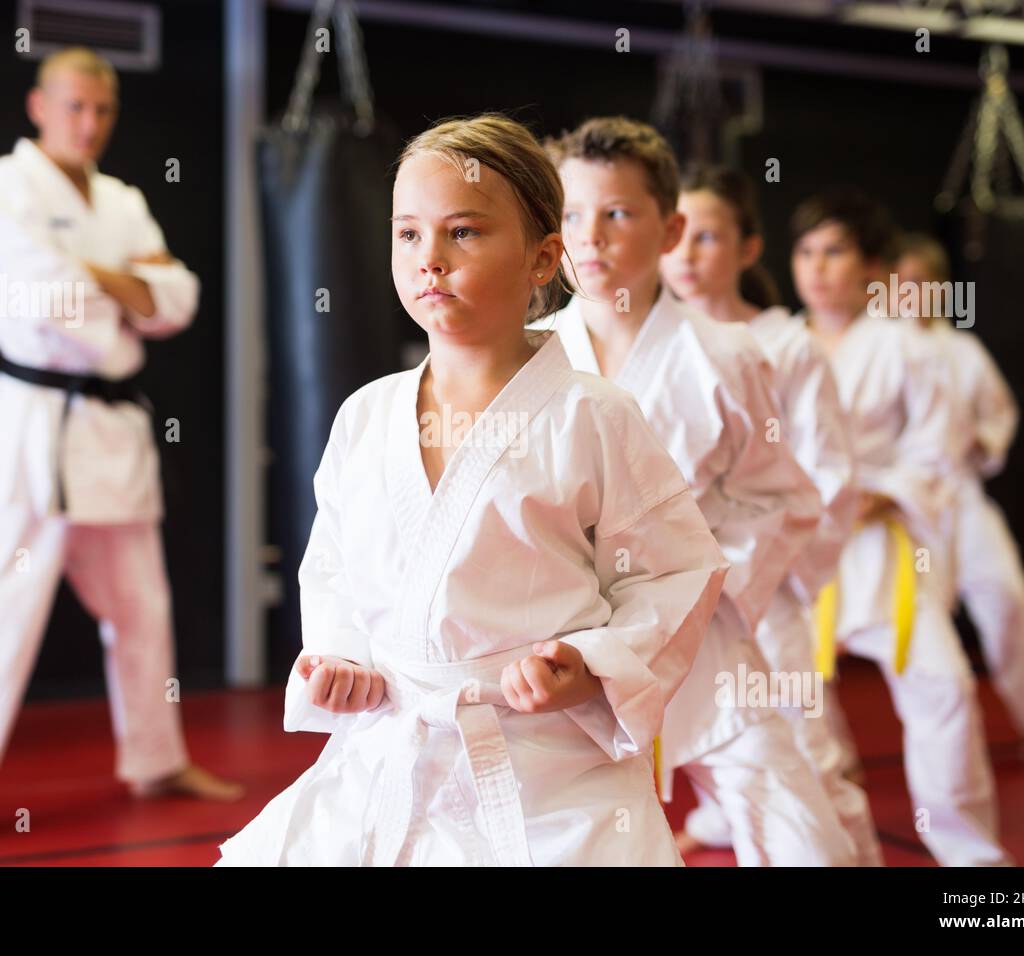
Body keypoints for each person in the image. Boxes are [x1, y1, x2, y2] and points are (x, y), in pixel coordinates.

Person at [215, 113, 730, 866]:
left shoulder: (593, 414)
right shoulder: (366, 415)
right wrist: (343, 660)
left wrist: (589, 663)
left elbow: (676, 572)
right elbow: (333, 570)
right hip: (394, 746)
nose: (430, 260)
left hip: (550, 770)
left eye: (463, 232)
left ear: (542, 257)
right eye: (408, 233)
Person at [0, 47, 241, 863]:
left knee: (143, 615)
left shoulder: (122, 198)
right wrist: (129, 284)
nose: (89, 124)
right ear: (38, 105)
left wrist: (114, 282)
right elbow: (37, 296)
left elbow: (180, 300)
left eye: (103, 110)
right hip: (29, 429)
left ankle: (157, 761)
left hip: (112, 436)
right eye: (74, 107)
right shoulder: (4, 186)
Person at [543, 118, 858, 866]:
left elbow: (784, 500)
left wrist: (709, 583)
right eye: (572, 215)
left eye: (618, 213)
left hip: (703, 635)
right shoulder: (530, 358)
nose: (592, 238)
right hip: (569, 649)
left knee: (806, 839)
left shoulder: (727, 355)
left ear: (670, 227)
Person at [659, 165, 881, 865]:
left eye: (710, 237)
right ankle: (725, 821)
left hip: (761, 587)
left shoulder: (787, 346)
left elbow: (830, 480)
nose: (688, 255)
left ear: (749, 248)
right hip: (666, 589)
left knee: (805, 754)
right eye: (678, 237)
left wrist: (771, 583)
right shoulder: (647, 342)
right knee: (704, 737)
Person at [792, 188, 1011, 865]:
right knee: (784, 696)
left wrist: (877, 497)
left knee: (942, 686)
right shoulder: (771, 342)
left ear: (874, 269)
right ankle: (796, 822)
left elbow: (939, 450)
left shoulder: (907, 347)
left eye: (834, 251)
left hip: (885, 548)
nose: (817, 268)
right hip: (799, 549)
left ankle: (969, 849)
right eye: (805, 252)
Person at [895, 233, 1024, 773]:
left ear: (941, 288)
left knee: (1010, 601)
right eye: (903, 284)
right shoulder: (873, 347)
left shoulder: (964, 351)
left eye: (924, 284)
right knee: (913, 629)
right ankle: (911, 759)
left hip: (964, 497)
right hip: (902, 508)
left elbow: (1000, 412)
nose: (913, 294)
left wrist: (986, 441)